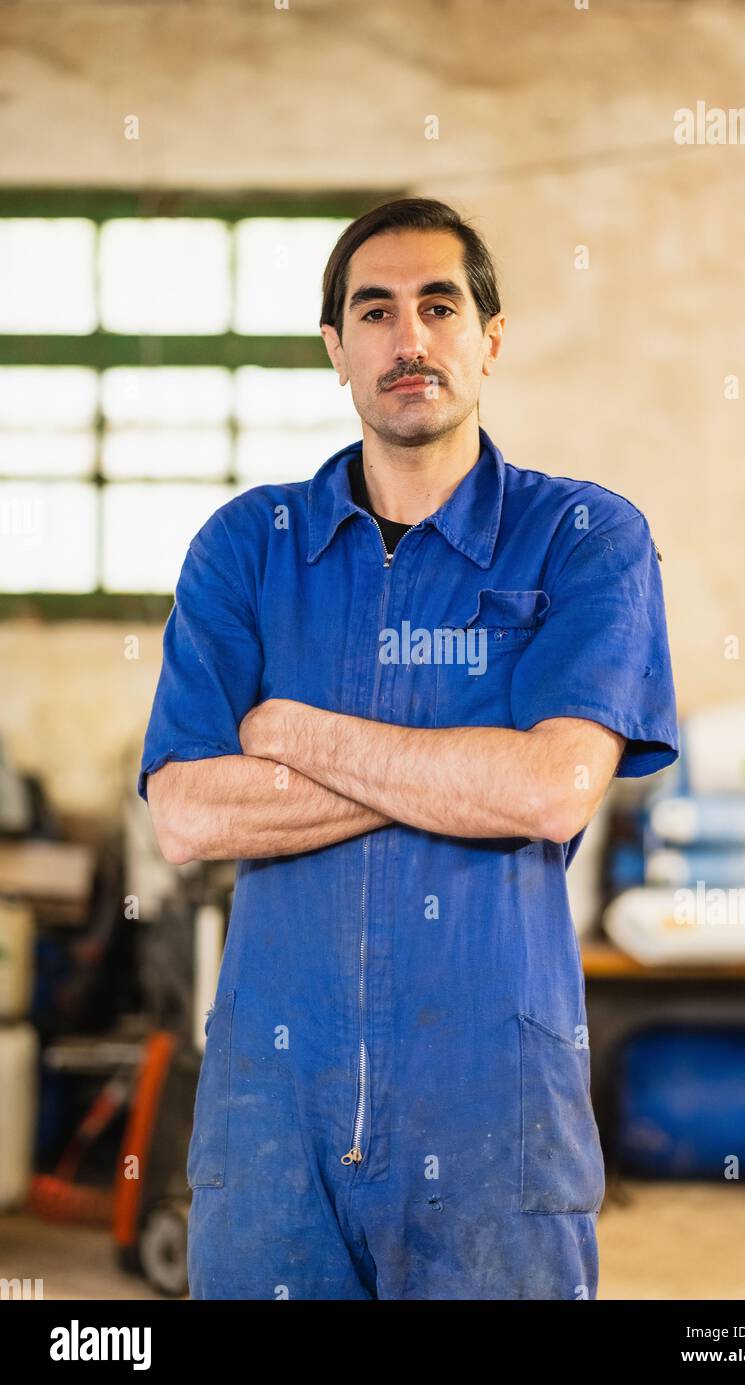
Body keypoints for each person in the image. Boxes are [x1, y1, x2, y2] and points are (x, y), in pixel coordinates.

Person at [138, 196, 679, 1300]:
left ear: (489, 337)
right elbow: (189, 814)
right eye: (374, 311)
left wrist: (289, 733)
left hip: (491, 1106)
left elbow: (549, 791)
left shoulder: (583, 539)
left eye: (440, 305)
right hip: (270, 1116)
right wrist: (460, 770)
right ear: (336, 349)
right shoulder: (250, 546)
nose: (409, 336)